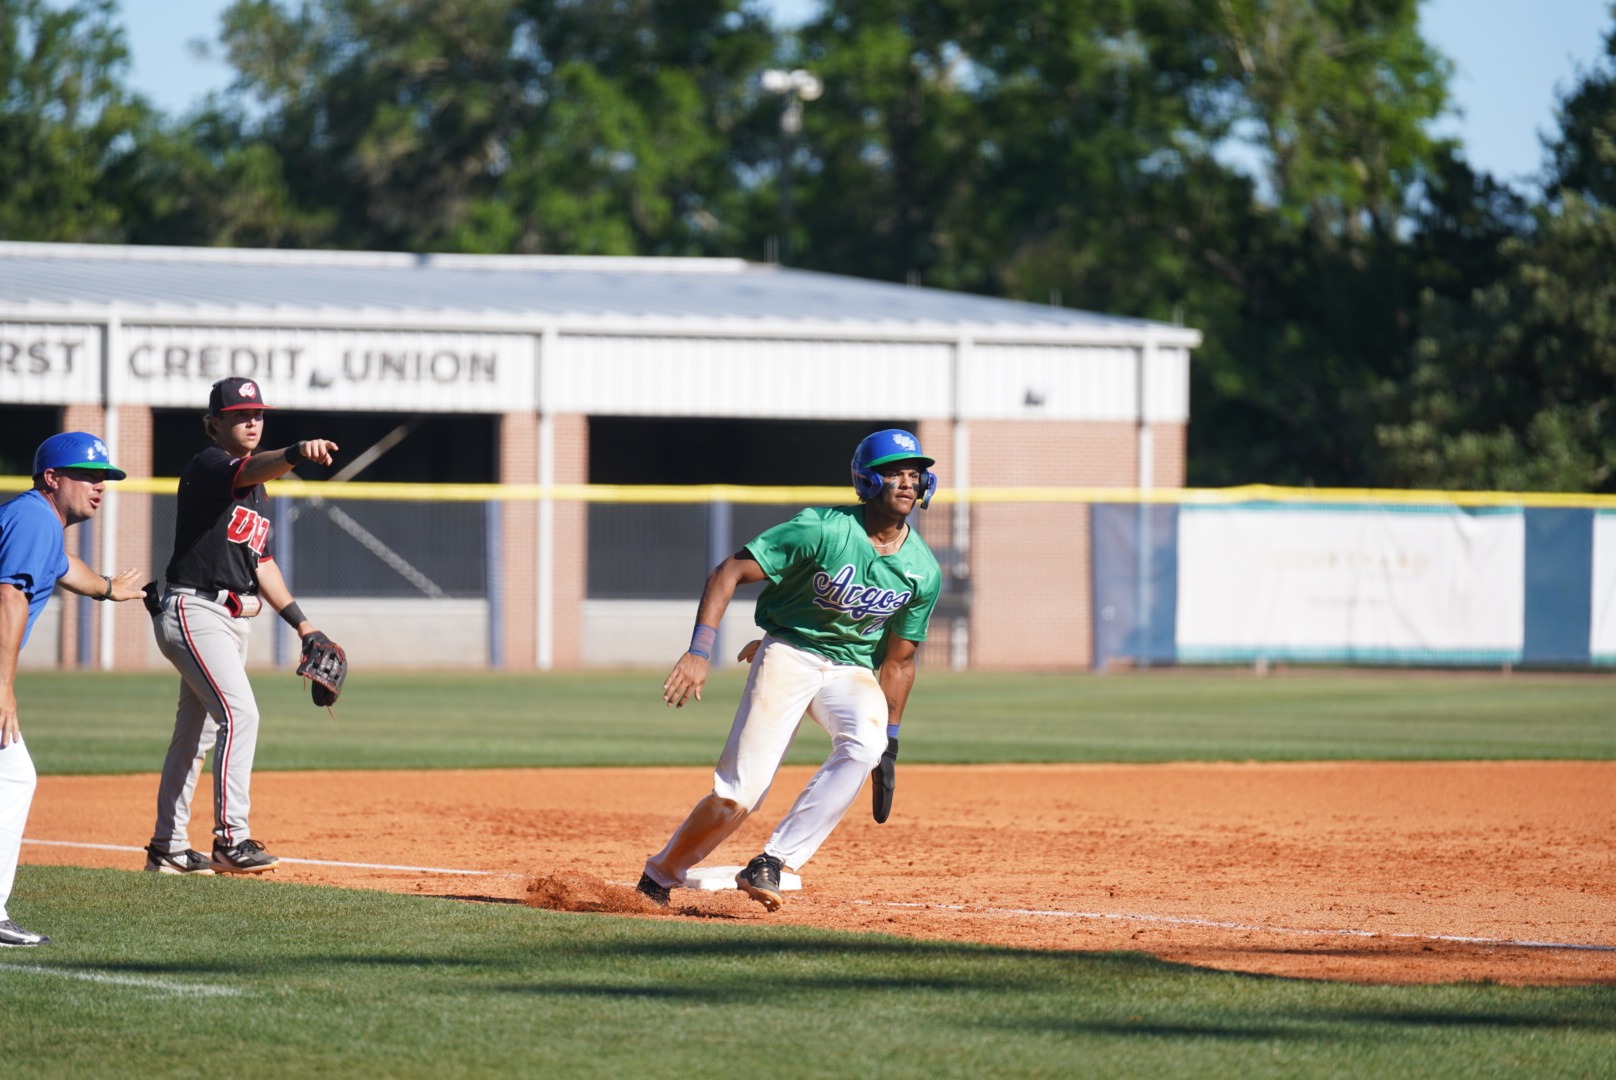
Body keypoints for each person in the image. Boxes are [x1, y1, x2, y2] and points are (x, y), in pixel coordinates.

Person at [637, 428, 943, 911]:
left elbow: (900, 660)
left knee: (866, 743)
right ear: (866, 481)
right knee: (741, 793)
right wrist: (699, 651)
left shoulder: (922, 569)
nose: (906, 483)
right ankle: (660, 874)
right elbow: (728, 572)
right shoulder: (821, 529)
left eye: (914, 474)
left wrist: (892, 742)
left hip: (850, 669)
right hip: (790, 652)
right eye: (893, 473)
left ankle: (772, 861)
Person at [145, 377, 339, 876]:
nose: (252, 421)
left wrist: (304, 626)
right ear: (215, 424)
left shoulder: (257, 494)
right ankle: (231, 839)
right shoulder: (211, 465)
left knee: (195, 736)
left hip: (228, 620)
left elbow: (262, 563)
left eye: (257, 414)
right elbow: (252, 465)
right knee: (241, 714)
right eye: (240, 415)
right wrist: (296, 450)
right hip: (195, 612)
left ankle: (167, 847)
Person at [1, 432, 144, 947]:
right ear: (52, 478)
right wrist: (4, 689)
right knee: (15, 777)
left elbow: (63, 569)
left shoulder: (37, 520)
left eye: (103, 477)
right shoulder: (37, 518)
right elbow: (10, 599)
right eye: (87, 475)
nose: (99, 486)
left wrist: (108, 588)